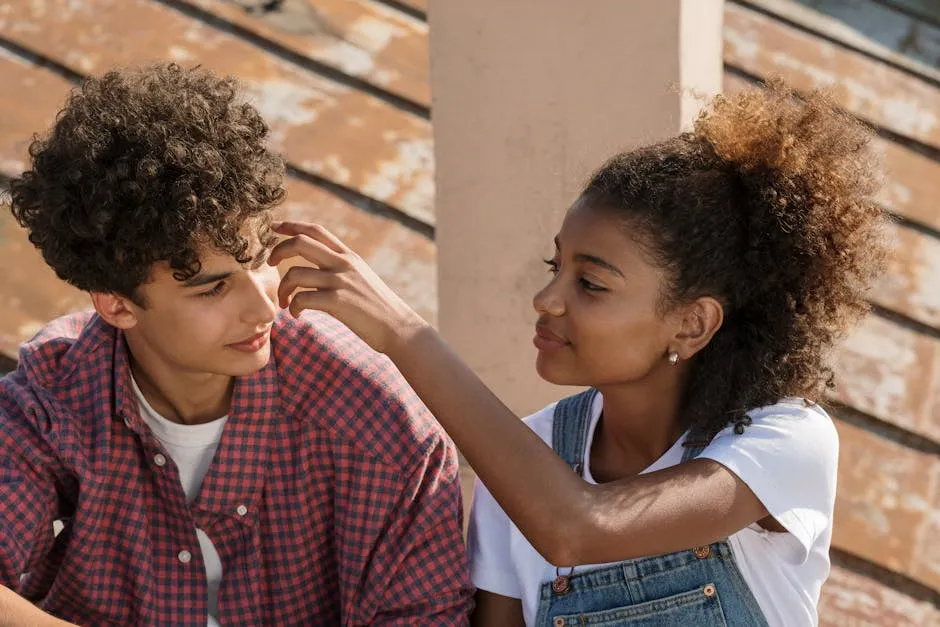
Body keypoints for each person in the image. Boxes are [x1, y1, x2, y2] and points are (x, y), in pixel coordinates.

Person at [267, 82, 887, 626]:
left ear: (692, 323)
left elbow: (577, 528)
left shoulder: (784, 441)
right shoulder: (522, 469)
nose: (546, 299)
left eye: (590, 284)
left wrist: (404, 333)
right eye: (554, 266)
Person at [0, 63, 473, 626]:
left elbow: (428, 617)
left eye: (256, 262)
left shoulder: (380, 424)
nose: (264, 306)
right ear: (117, 305)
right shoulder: (53, 393)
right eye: (213, 287)